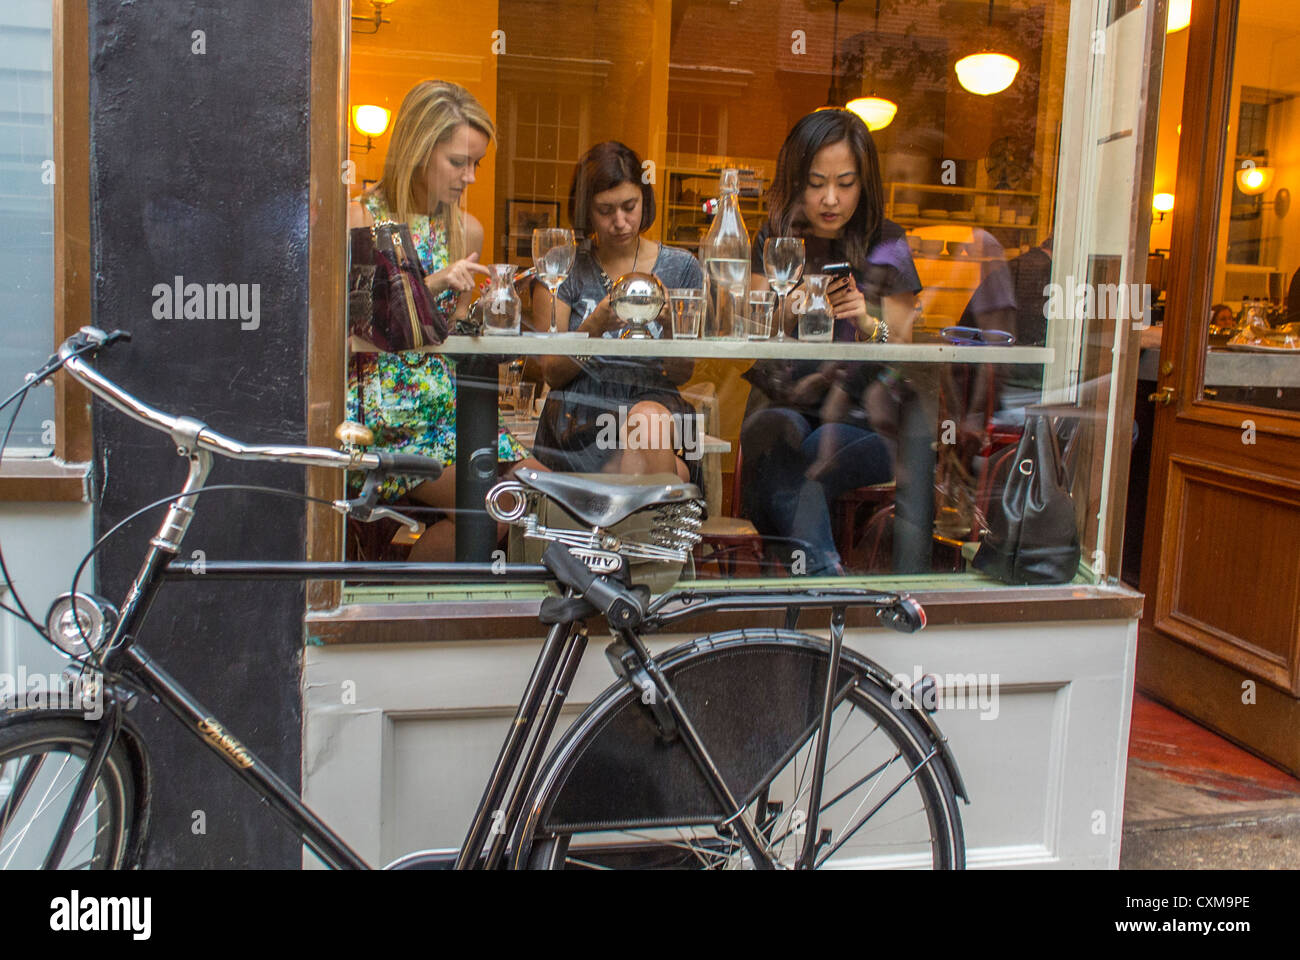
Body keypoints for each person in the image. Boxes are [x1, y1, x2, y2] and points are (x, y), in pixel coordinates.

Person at [347, 79, 532, 560]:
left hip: (452, 408)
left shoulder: (464, 228)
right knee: (490, 505)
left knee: (539, 489)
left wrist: (485, 311)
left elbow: (451, 332)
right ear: (417, 150)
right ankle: (400, 613)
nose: (470, 176)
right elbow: (352, 329)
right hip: (388, 414)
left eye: (477, 163)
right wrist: (433, 283)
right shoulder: (360, 221)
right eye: (458, 162)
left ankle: (410, 584)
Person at [741, 108, 923, 575]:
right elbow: (752, 329)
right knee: (775, 433)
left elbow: (906, 351)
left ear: (865, 184)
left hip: (864, 417)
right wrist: (788, 304)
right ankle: (824, 576)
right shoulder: (778, 237)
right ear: (795, 180)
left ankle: (811, 574)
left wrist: (866, 321)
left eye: (845, 183)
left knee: (812, 450)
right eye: (815, 182)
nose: (829, 198)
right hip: (786, 402)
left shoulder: (888, 242)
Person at [529, 141, 703, 483]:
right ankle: (643, 530)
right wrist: (593, 326)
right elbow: (552, 371)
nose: (620, 222)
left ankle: (621, 530)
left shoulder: (682, 267)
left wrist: (670, 325)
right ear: (585, 211)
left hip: (654, 404)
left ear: (644, 200)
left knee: (649, 420)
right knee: (661, 473)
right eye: (605, 210)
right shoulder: (564, 266)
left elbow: (682, 373)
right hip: (580, 413)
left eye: (629, 206)